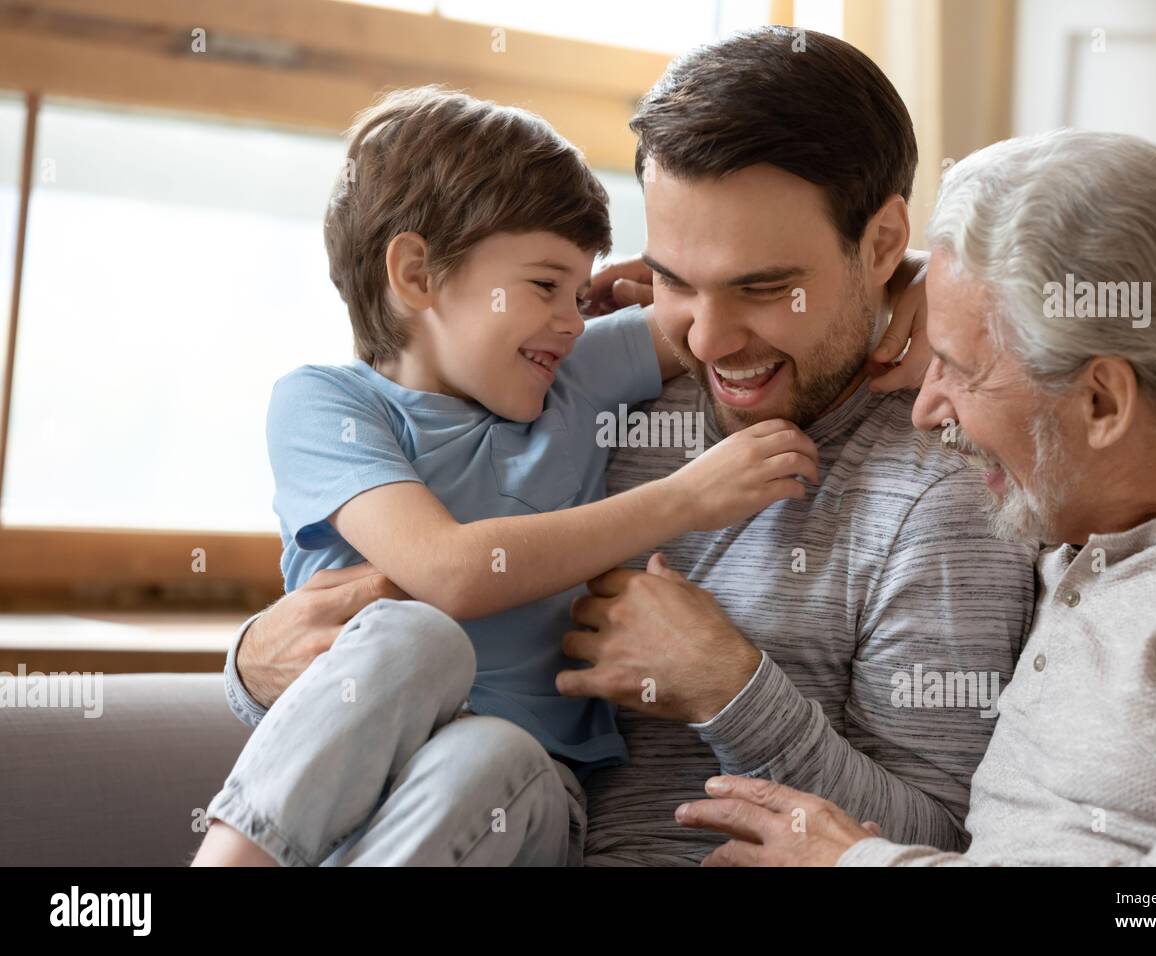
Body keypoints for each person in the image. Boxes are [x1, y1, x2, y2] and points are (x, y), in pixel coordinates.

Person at [192, 84, 829, 867]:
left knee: (493, 751)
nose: (572, 317)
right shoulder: (325, 406)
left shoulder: (578, 377)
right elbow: (450, 571)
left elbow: (791, 301)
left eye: (579, 287)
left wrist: (909, 279)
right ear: (417, 274)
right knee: (415, 634)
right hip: (342, 813)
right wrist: (686, 498)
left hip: (514, 807)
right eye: (542, 285)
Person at [675, 129, 1156, 867]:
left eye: (958, 369)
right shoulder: (1086, 508)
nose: (926, 406)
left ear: (1102, 401)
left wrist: (857, 864)